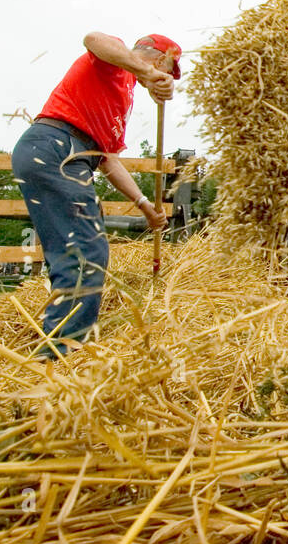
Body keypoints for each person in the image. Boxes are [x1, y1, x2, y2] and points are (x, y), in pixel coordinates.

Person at [12, 33, 180, 359]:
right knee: (86, 251)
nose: (165, 80)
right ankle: (61, 354)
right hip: (56, 146)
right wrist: (146, 72)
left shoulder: (123, 99)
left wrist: (145, 206)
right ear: (161, 59)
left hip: (69, 155)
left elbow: (108, 161)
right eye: (167, 71)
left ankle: (62, 339)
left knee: (75, 248)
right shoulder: (114, 62)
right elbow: (92, 39)